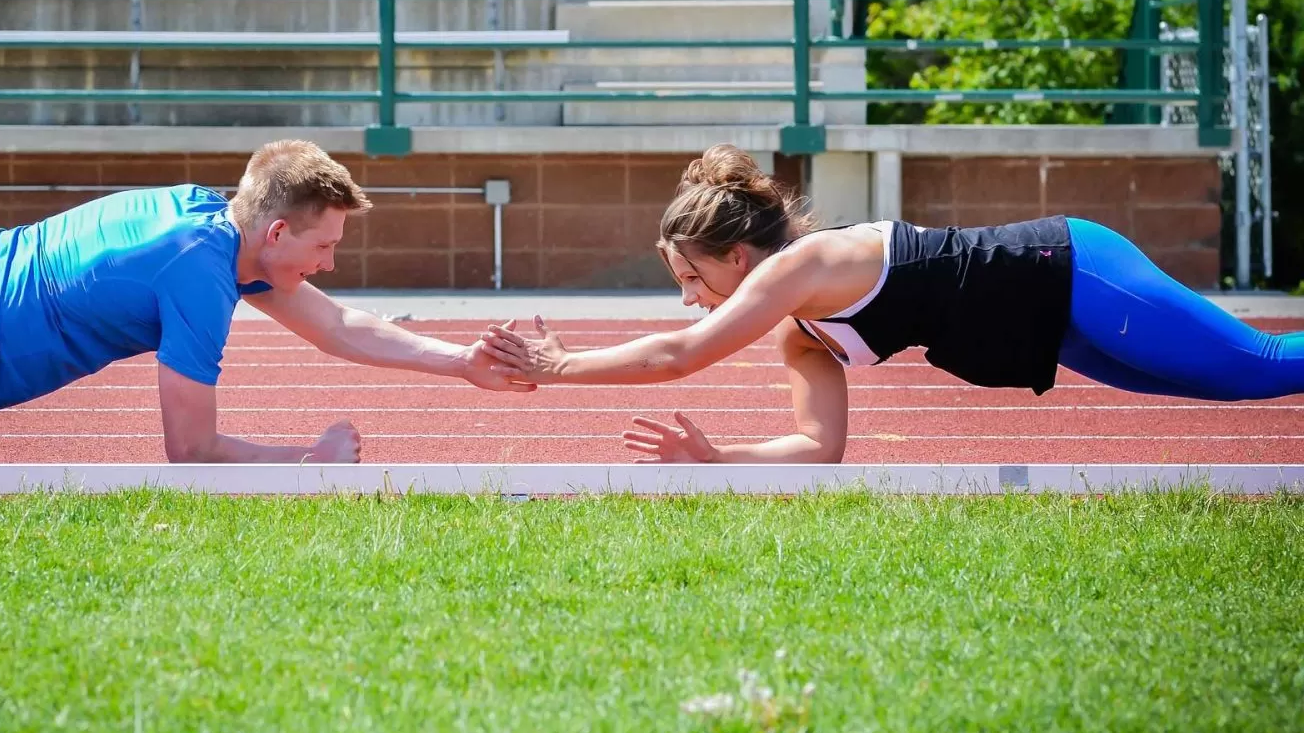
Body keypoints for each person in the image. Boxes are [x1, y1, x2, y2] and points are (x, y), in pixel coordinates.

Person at [0, 139, 535, 462]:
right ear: (278, 234)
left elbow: (338, 326)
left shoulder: (216, 220)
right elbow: (191, 448)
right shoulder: (201, 276)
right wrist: (305, 462)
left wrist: (461, 364)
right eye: (324, 246)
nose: (328, 266)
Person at [479, 143, 1304, 464]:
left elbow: (679, 356)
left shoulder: (805, 265)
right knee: (1230, 385)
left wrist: (557, 367)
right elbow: (818, 448)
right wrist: (717, 461)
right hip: (1049, 326)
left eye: (691, 279)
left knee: (1261, 368)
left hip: (1072, 267)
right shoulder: (803, 333)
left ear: (738, 256)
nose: (690, 300)